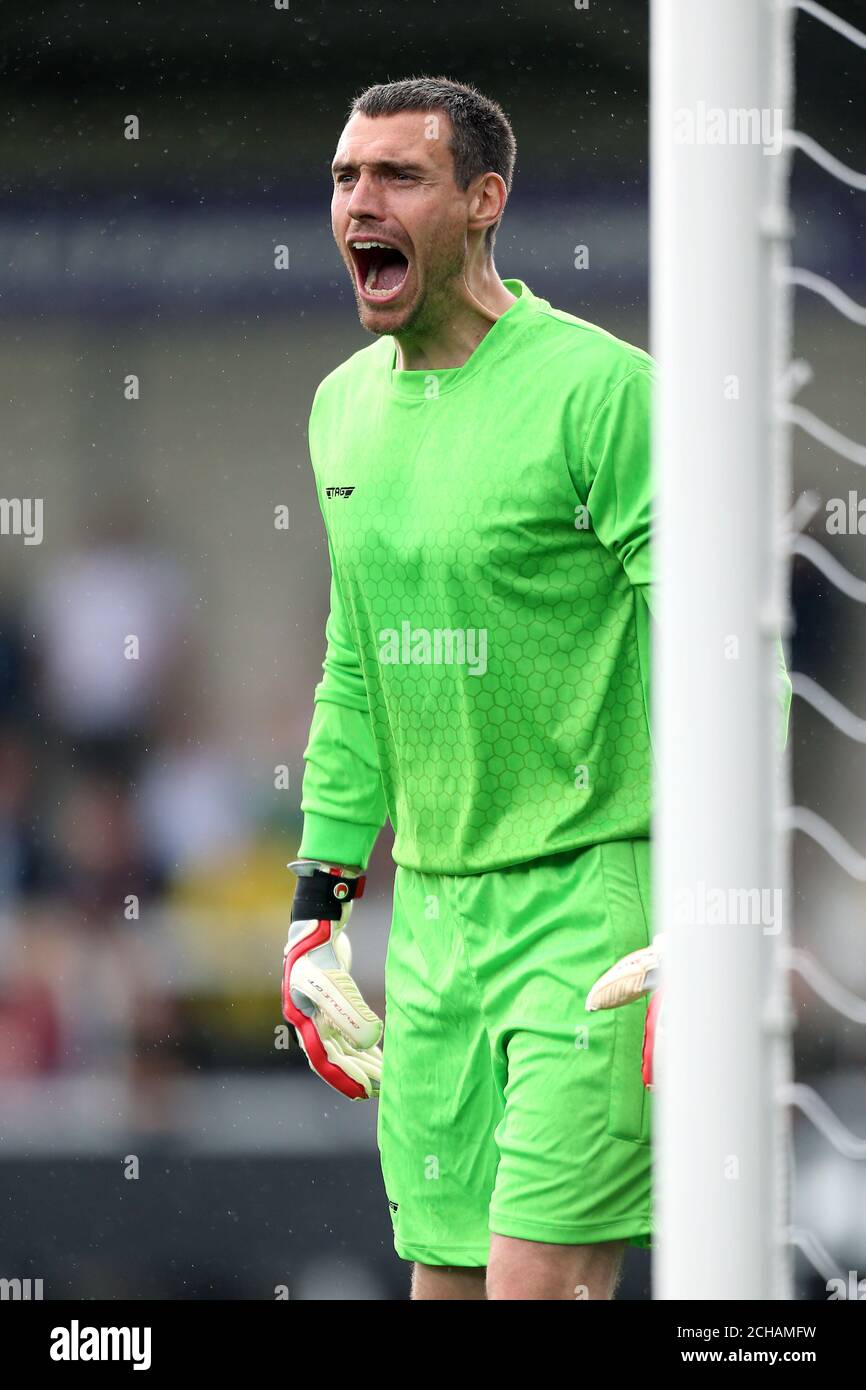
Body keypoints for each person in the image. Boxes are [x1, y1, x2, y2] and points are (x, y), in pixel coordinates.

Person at [281, 76, 793, 1301]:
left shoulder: (601, 393)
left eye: (398, 176)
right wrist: (316, 902)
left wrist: (719, 900)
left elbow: (729, 644)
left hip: (596, 910)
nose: (361, 201)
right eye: (346, 178)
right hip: (437, 923)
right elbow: (354, 663)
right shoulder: (339, 411)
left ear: (482, 202)